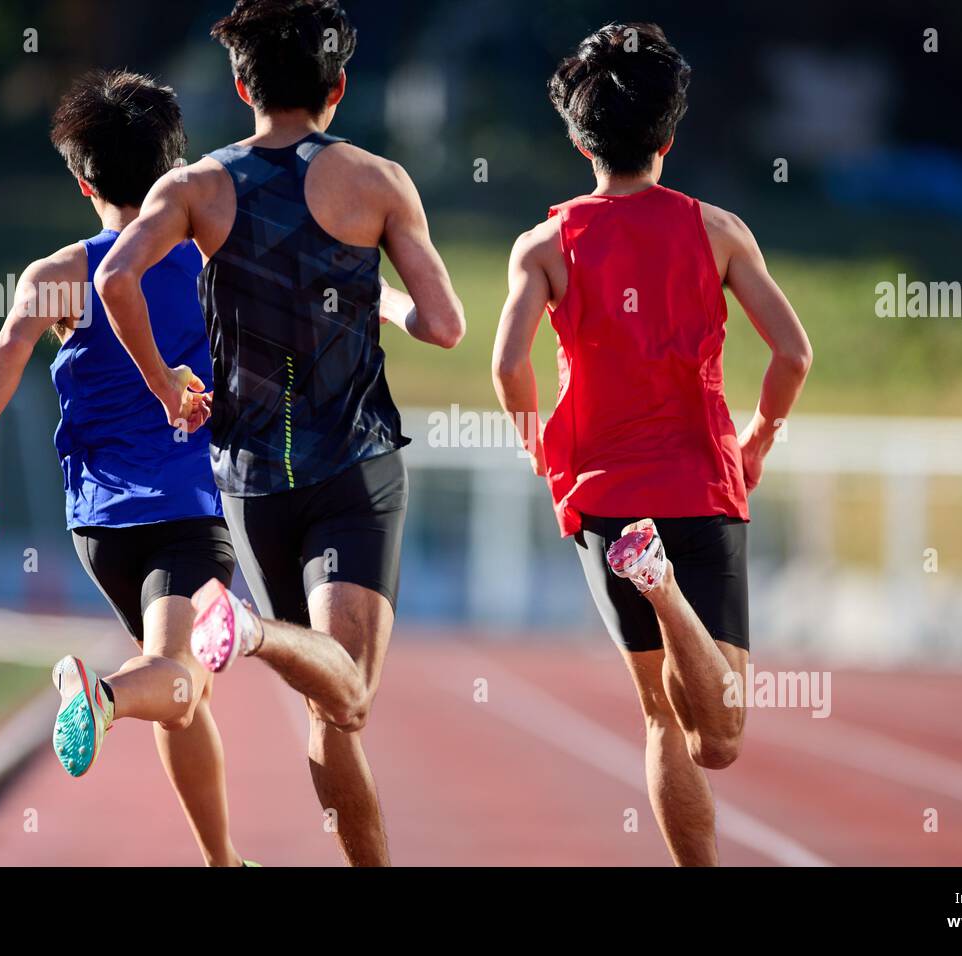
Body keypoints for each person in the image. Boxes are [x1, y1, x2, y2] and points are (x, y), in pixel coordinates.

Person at [95, 0, 465, 867]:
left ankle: (257, 633)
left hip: (253, 477)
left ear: (240, 86)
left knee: (328, 707)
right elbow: (446, 327)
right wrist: (383, 297)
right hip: (354, 468)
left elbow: (115, 275)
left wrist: (163, 384)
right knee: (352, 696)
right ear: (338, 88)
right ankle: (253, 632)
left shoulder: (192, 188)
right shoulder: (378, 181)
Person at [491, 22, 812, 866]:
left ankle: (657, 585)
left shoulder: (544, 244)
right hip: (703, 484)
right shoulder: (719, 231)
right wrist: (760, 440)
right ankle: (668, 591)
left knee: (663, 719)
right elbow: (794, 353)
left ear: (576, 137)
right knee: (723, 736)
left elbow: (506, 363)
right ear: (668, 137)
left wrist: (537, 445)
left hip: (604, 497)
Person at [0, 69, 254, 866]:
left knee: (183, 692)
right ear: (176, 166)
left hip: (102, 526)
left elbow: (4, 357)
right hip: (189, 508)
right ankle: (103, 694)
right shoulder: (216, 257)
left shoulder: (58, 279)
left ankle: (223, 861)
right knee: (172, 677)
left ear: (83, 181)